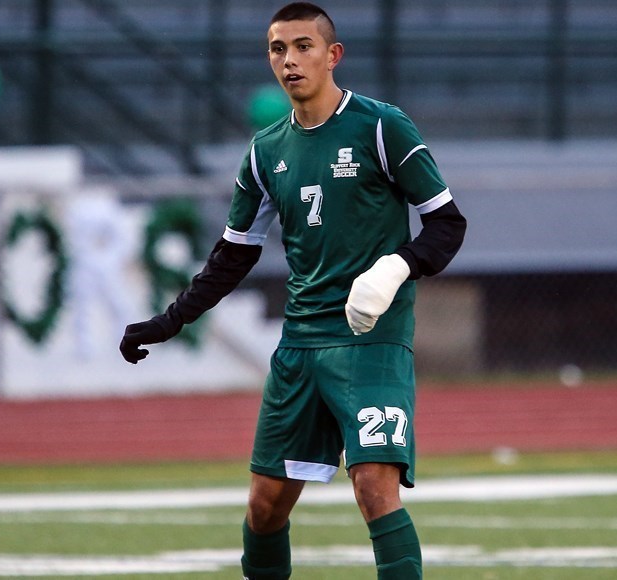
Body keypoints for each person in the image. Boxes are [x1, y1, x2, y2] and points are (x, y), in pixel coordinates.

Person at [119, 3, 466, 578]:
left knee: (374, 486)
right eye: (278, 49)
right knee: (264, 506)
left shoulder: (381, 126)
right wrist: (169, 321)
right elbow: (233, 255)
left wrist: (395, 268)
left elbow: (448, 223)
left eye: (303, 46)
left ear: (333, 56)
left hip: (371, 341)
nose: (289, 59)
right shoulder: (264, 151)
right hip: (300, 345)